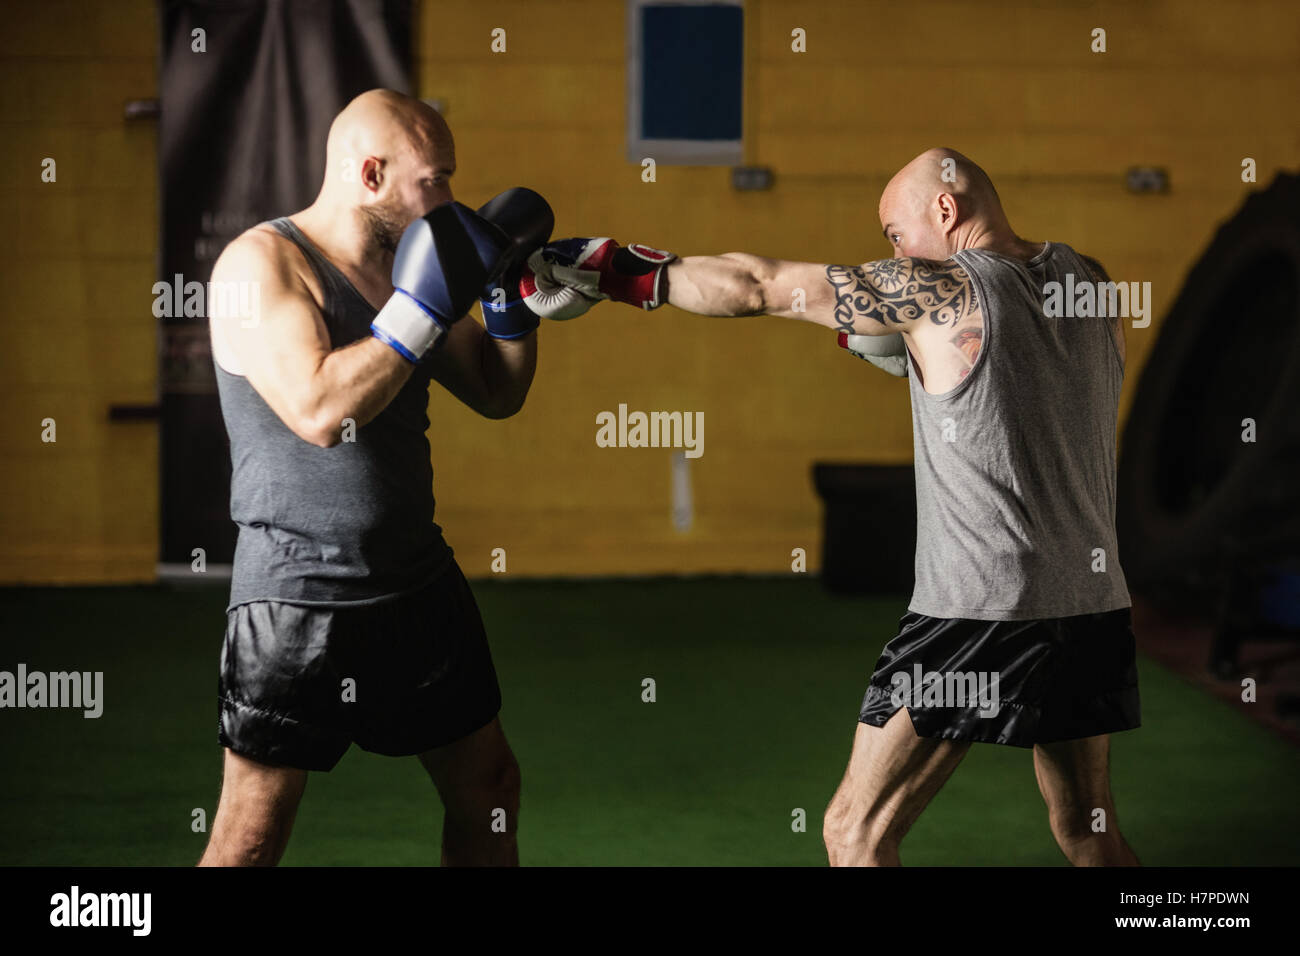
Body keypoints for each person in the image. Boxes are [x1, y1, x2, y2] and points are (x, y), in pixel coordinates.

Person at [526, 147, 1142, 866]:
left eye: (894, 232)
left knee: (856, 835)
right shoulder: (1089, 280)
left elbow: (758, 284)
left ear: (945, 211)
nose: (892, 251)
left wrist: (614, 268)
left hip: (981, 611)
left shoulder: (936, 288)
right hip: (1092, 606)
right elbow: (1023, 384)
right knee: (1087, 832)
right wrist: (893, 341)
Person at [202, 89, 546, 866]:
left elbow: (497, 392)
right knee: (248, 840)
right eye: (434, 180)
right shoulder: (262, 264)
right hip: (296, 598)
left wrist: (511, 301)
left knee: (489, 790)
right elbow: (320, 409)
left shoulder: (409, 266)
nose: (449, 200)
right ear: (369, 174)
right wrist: (420, 309)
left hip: (416, 581)